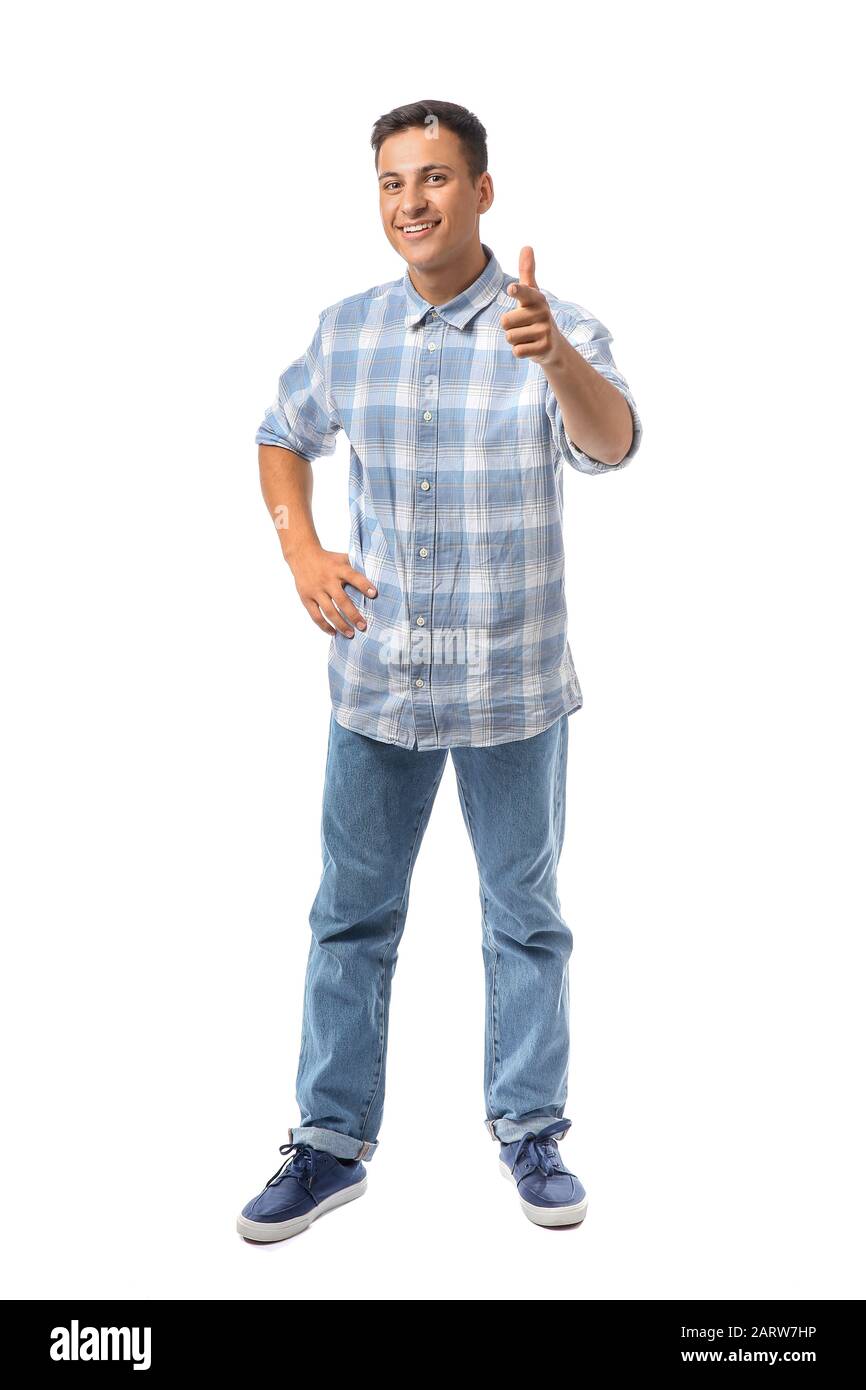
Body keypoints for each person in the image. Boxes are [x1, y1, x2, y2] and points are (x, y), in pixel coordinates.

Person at [237, 99, 642, 1243]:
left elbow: (610, 444)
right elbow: (278, 430)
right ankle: (327, 1144)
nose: (410, 202)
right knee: (349, 915)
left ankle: (530, 1130)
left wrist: (553, 353)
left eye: (433, 178)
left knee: (524, 915)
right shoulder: (347, 330)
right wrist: (302, 547)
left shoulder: (546, 325)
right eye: (389, 183)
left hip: (511, 681)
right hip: (378, 685)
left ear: (481, 190)